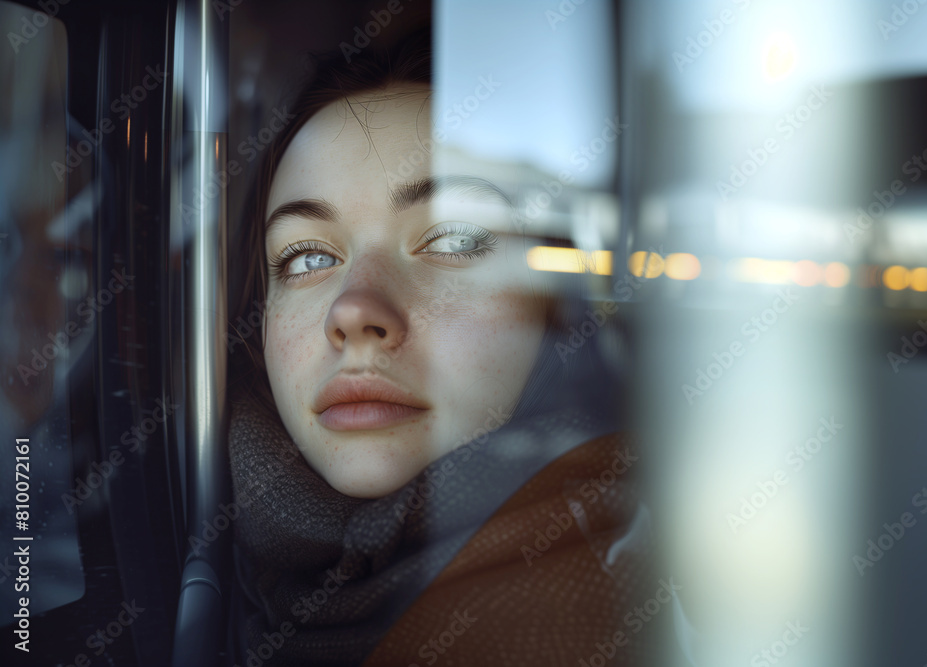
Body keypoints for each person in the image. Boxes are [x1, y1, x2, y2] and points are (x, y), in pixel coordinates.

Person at [226, 27, 652, 667]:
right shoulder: (210, 574)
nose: (354, 311)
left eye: (453, 240)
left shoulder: (644, 608)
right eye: (307, 255)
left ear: (565, 299)